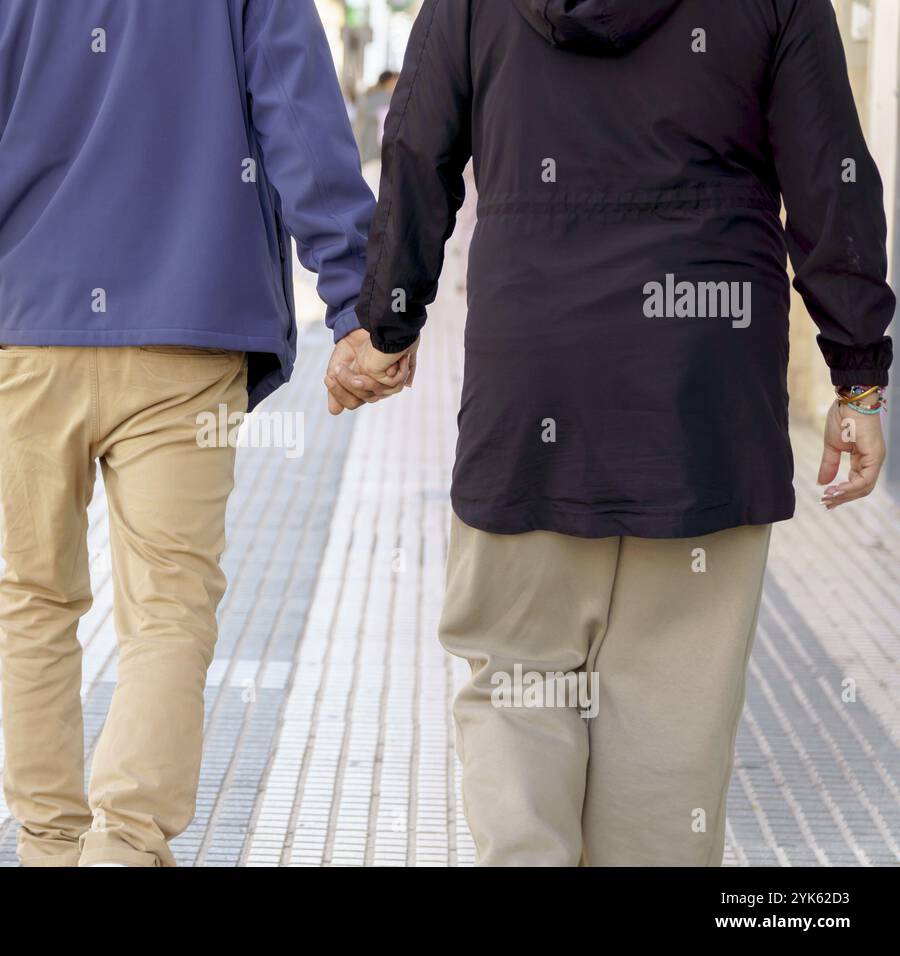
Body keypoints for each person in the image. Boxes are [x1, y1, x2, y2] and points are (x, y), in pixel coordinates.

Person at [329, 0, 891, 865]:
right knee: (673, 712)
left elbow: (418, 147)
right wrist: (858, 376)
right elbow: (831, 176)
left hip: (533, 379)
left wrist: (388, 322)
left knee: (518, 684)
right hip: (703, 392)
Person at [0, 0, 373, 867]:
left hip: (35, 325)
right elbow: (299, 123)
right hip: (189, 325)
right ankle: (124, 849)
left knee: (38, 596)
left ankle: (48, 849)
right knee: (169, 610)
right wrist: (355, 299)